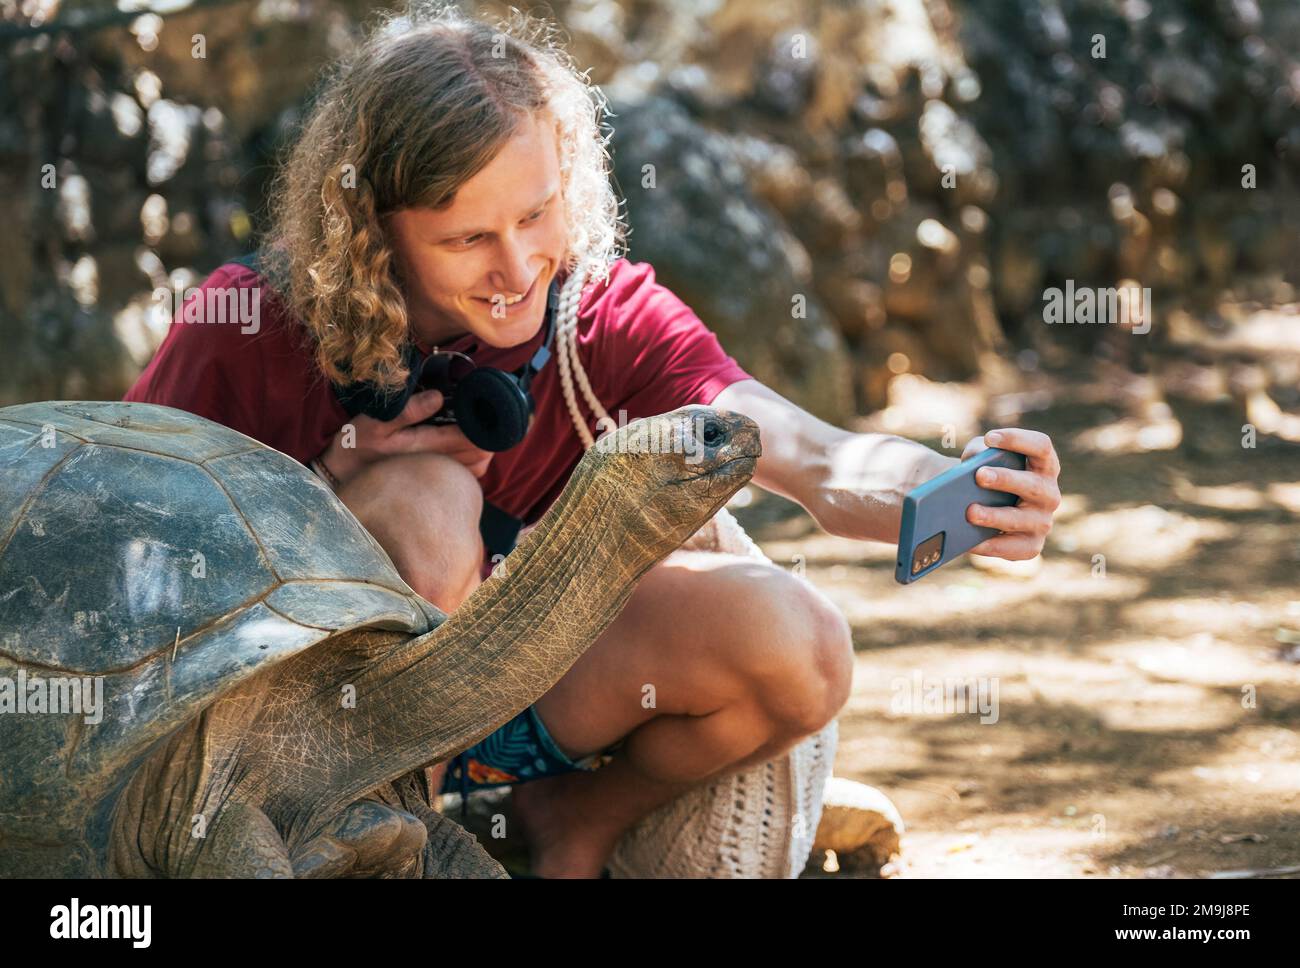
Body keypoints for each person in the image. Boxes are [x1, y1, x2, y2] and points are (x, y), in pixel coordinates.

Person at [125, 3, 1061, 878]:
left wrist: (959, 486)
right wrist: (321, 490)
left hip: (520, 705)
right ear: (373, 226)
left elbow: (810, 456)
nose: (518, 267)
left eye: (538, 214)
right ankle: (377, 844)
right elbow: (128, 568)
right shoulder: (248, 324)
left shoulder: (597, 315)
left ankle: (565, 823)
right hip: (303, 742)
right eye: (467, 239)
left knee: (802, 643)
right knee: (427, 503)